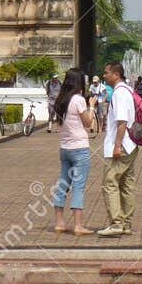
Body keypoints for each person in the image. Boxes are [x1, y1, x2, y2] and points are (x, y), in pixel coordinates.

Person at [50, 68, 96, 235]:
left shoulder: (61, 100)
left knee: (63, 185)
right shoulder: (78, 100)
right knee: (79, 186)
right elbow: (88, 123)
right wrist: (92, 107)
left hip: (65, 148)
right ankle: (78, 225)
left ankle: (59, 223)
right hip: (79, 148)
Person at [98, 61, 140, 238]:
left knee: (110, 183)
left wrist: (116, 146)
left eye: (106, 72)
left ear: (116, 74)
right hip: (131, 144)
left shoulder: (118, 93)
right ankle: (126, 223)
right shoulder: (128, 90)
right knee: (127, 184)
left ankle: (116, 223)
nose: (104, 75)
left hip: (121, 145)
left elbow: (122, 122)